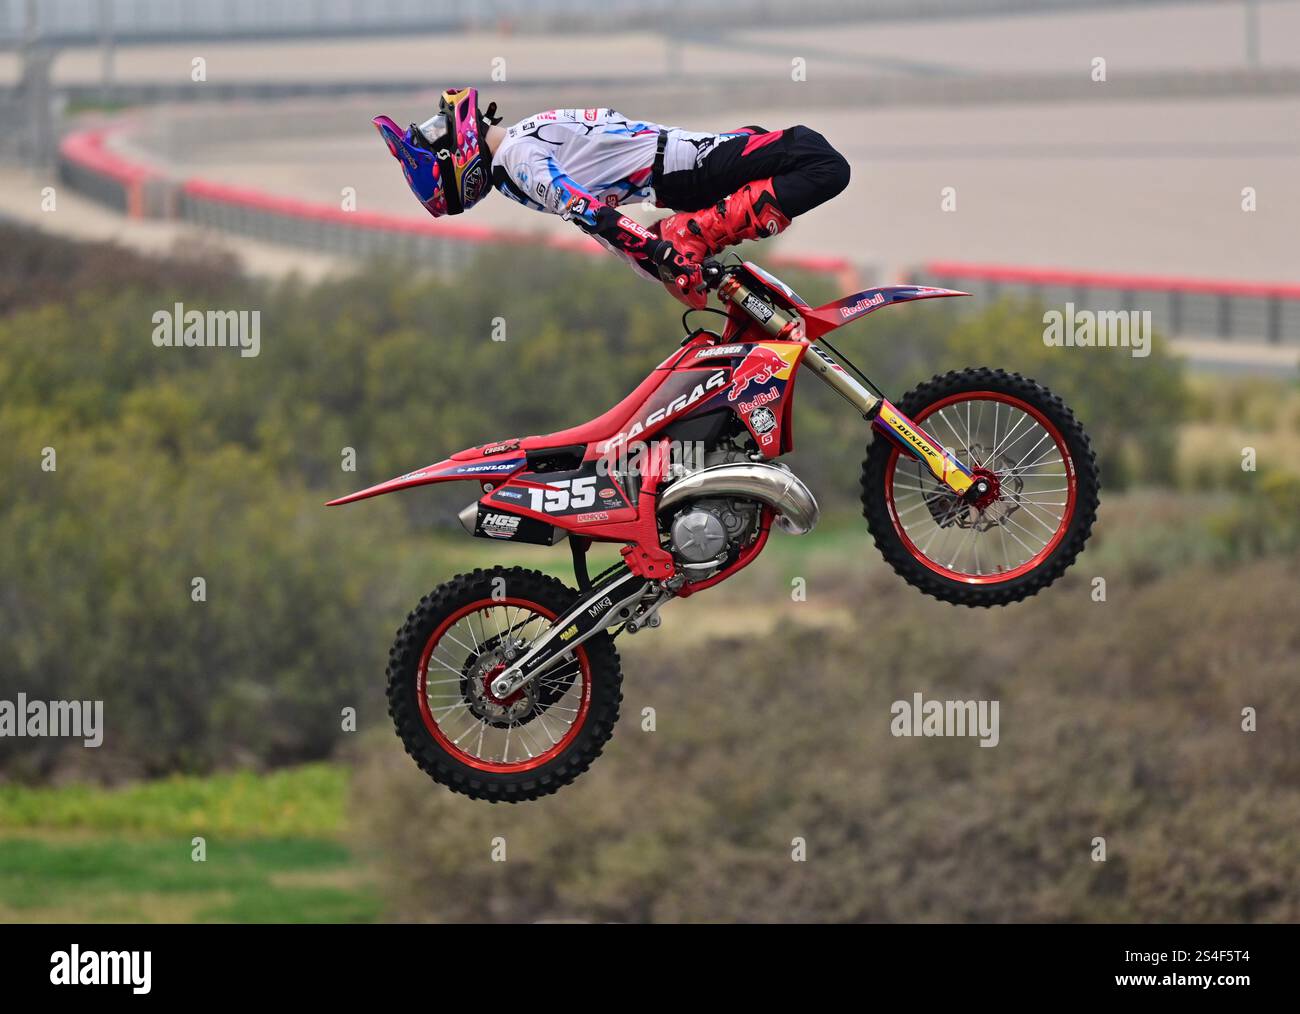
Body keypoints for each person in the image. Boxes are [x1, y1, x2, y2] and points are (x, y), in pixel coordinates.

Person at [374, 88, 850, 309]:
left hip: (679, 169)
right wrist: (662, 249)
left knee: (761, 139)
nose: (442, 126)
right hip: (685, 166)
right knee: (821, 160)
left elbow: (593, 211)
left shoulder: (515, 158)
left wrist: (649, 256)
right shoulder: (517, 156)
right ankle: (700, 229)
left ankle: (700, 227)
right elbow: (588, 211)